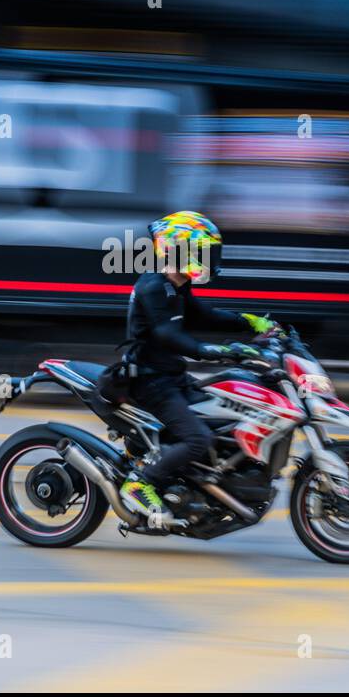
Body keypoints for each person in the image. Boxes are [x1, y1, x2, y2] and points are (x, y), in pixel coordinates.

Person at [117, 211, 279, 520]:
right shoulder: (153, 287)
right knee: (198, 438)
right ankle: (141, 484)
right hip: (150, 384)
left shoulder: (176, 285)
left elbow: (205, 315)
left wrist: (252, 322)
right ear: (179, 249)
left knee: (221, 420)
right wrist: (219, 350)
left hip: (171, 378)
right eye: (202, 251)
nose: (208, 258)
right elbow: (170, 336)